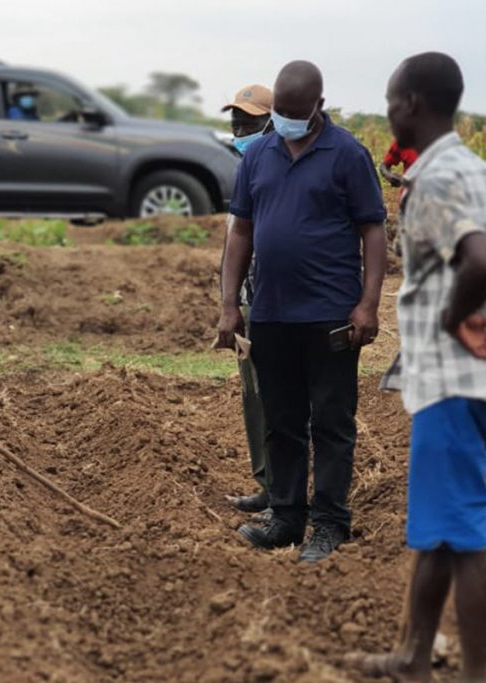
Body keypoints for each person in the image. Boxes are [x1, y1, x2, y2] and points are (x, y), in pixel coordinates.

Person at [347, 52, 486, 683]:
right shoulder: (471, 168)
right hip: (465, 381)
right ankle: (410, 657)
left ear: (411, 104)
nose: (387, 113)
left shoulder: (436, 179)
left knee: (466, 535)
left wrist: (454, 319)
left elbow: (479, 259)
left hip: (453, 383)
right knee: (440, 528)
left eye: (389, 101)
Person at [216, 60, 388, 563]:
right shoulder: (258, 155)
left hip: (331, 314)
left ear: (319, 105)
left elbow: (373, 230)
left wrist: (368, 304)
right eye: (282, 113)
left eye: (295, 112)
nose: (287, 121)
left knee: (331, 422)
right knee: (282, 420)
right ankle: (287, 517)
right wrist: (229, 304)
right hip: (272, 313)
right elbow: (241, 231)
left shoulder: (347, 153)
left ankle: (329, 522)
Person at [219, 84, 273, 515]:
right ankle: (269, 484)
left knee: (280, 400)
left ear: (271, 122)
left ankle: (290, 491)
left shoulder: (276, 167)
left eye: (249, 121)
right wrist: (230, 301)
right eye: (236, 120)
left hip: (279, 302)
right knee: (253, 397)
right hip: (249, 298)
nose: (239, 129)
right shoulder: (243, 167)